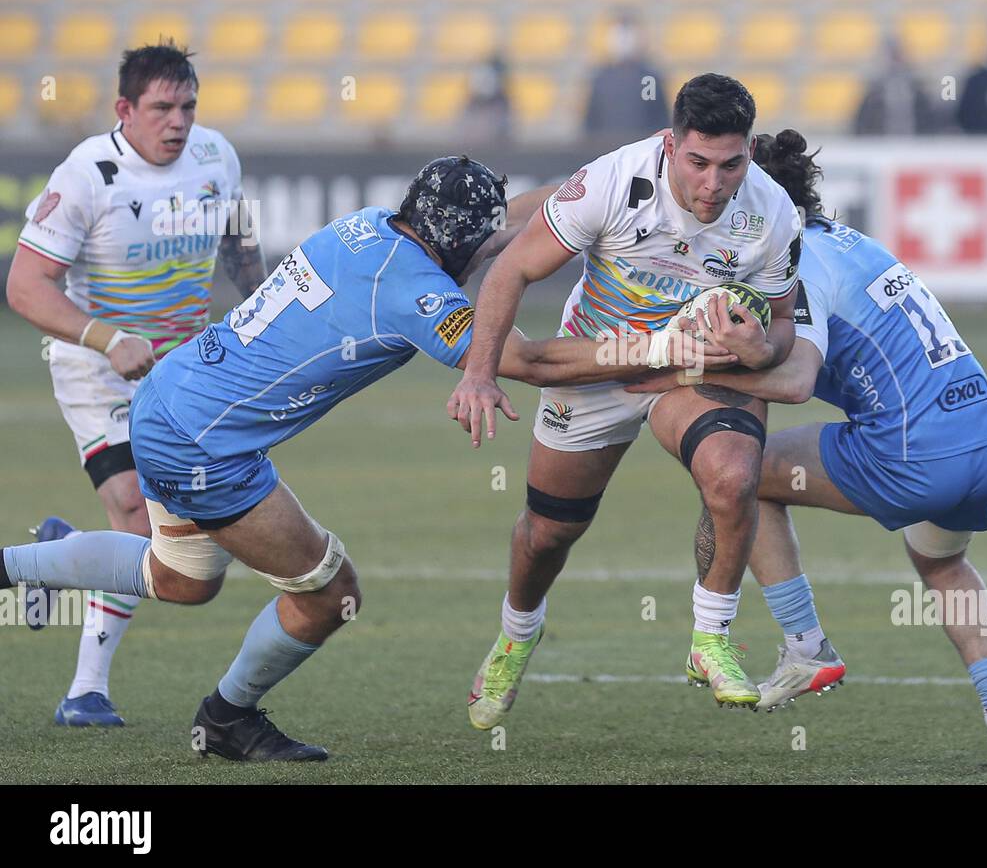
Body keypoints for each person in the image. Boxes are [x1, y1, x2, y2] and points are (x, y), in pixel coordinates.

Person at [1, 156, 727, 762]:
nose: (489, 248)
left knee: (180, 580)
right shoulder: (414, 292)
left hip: (174, 397)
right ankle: (225, 719)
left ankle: (13, 567)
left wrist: (599, 184)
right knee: (329, 593)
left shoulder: (375, 224)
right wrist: (664, 348)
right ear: (453, 240)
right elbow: (529, 360)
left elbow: (495, 228)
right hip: (205, 443)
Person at [628, 130, 987, 767]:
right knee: (942, 565)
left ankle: (806, 644)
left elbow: (794, 384)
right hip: (985, 439)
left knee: (744, 477)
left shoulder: (797, 266)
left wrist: (679, 373)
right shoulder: (850, 243)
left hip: (914, 451)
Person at [447, 74, 803, 727]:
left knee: (733, 477)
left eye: (730, 165)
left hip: (692, 370)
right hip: (599, 361)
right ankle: (517, 634)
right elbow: (512, 269)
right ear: (670, 145)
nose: (713, 183)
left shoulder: (772, 212)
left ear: (749, 152)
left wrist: (760, 351)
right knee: (548, 534)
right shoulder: (612, 181)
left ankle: (711, 638)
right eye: (698, 162)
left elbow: (782, 325)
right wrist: (479, 372)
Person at [4, 42, 265, 728]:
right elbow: (25, 286)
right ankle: (86, 693)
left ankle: (58, 556)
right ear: (124, 109)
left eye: (188, 106)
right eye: (161, 108)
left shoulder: (217, 156)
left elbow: (239, 238)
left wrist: (263, 310)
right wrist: (108, 339)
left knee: (191, 565)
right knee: (136, 516)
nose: (177, 122)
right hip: (95, 368)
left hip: (185, 370)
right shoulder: (86, 174)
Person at [583, 13, 669, 140]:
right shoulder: (601, 79)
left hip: (640, 146)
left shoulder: (648, 79)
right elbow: (591, 121)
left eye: (628, 37)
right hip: (607, 146)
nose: (623, 42)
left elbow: (657, 117)